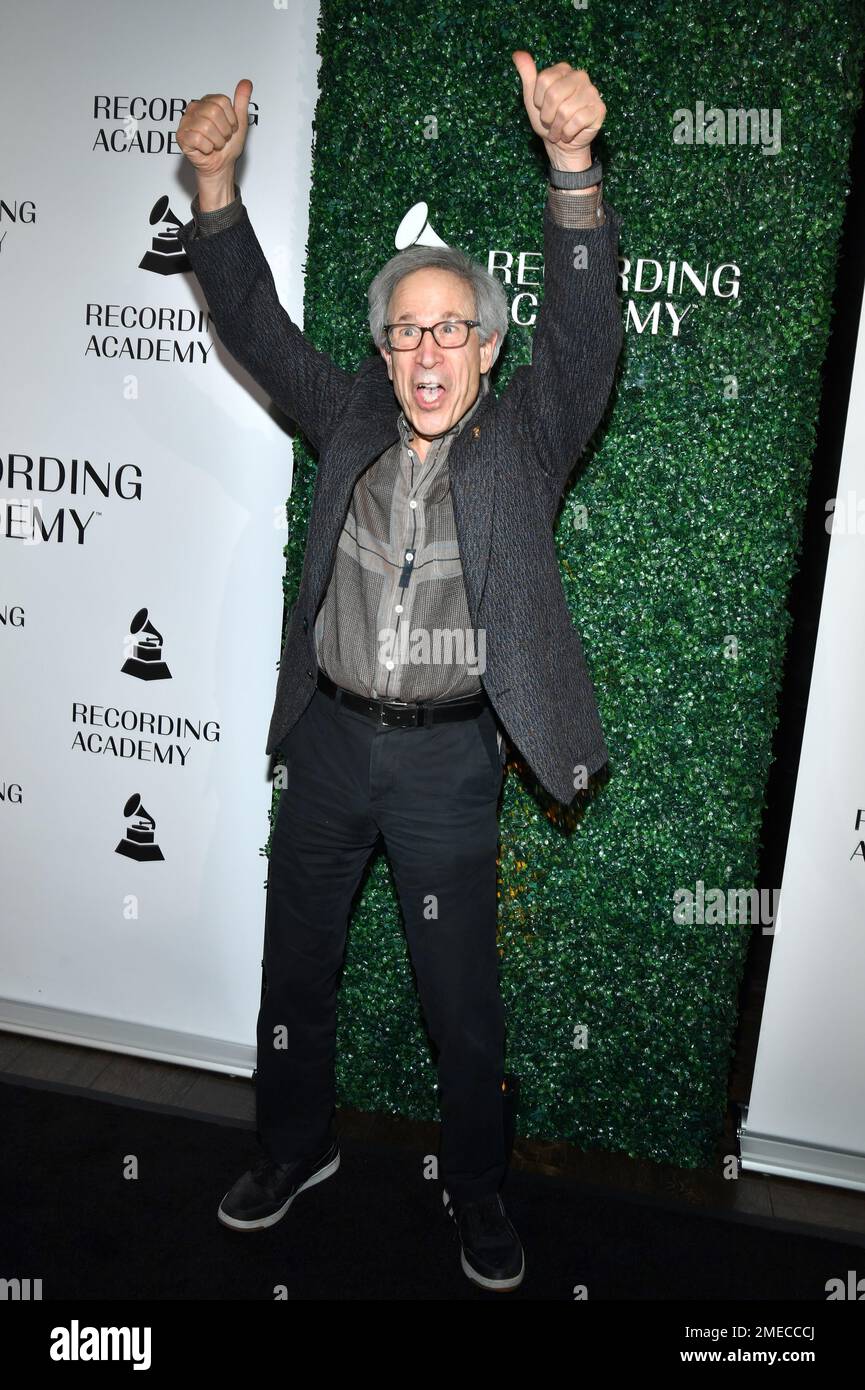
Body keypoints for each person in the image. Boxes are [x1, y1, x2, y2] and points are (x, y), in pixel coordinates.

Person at [176, 52, 622, 1293]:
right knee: (294, 967)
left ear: (484, 347)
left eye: (450, 328)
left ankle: (476, 1192)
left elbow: (586, 344)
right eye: (405, 330)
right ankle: (291, 1148)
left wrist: (573, 174)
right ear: (383, 354)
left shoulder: (527, 435)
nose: (427, 351)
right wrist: (214, 188)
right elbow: (258, 325)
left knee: (458, 1001)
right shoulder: (350, 415)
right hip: (328, 741)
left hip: (444, 759)